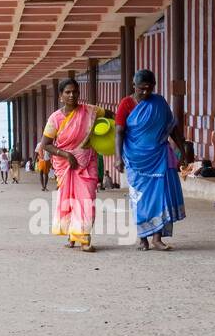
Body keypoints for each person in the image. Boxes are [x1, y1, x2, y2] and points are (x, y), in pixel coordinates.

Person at [115, 69, 186, 251]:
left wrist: (182, 149)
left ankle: (157, 238)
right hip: (135, 160)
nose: (145, 92)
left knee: (160, 197)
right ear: (134, 86)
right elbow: (119, 132)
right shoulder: (126, 104)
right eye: (141, 89)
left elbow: (172, 128)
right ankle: (143, 239)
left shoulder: (159, 102)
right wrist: (117, 158)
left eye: (149, 88)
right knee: (140, 200)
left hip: (159, 157)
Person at [39, 77, 103, 252]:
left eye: (75, 91)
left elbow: (111, 117)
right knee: (70, 201)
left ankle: (84, 238)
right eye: (67, 92)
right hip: (66, 165)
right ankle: (74, 235)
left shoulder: (90, 111)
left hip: (87, 162)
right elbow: (46, 144)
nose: (72, 95)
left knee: (87, 199)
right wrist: (66, 154)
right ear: (61, 96)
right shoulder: (55, 118)